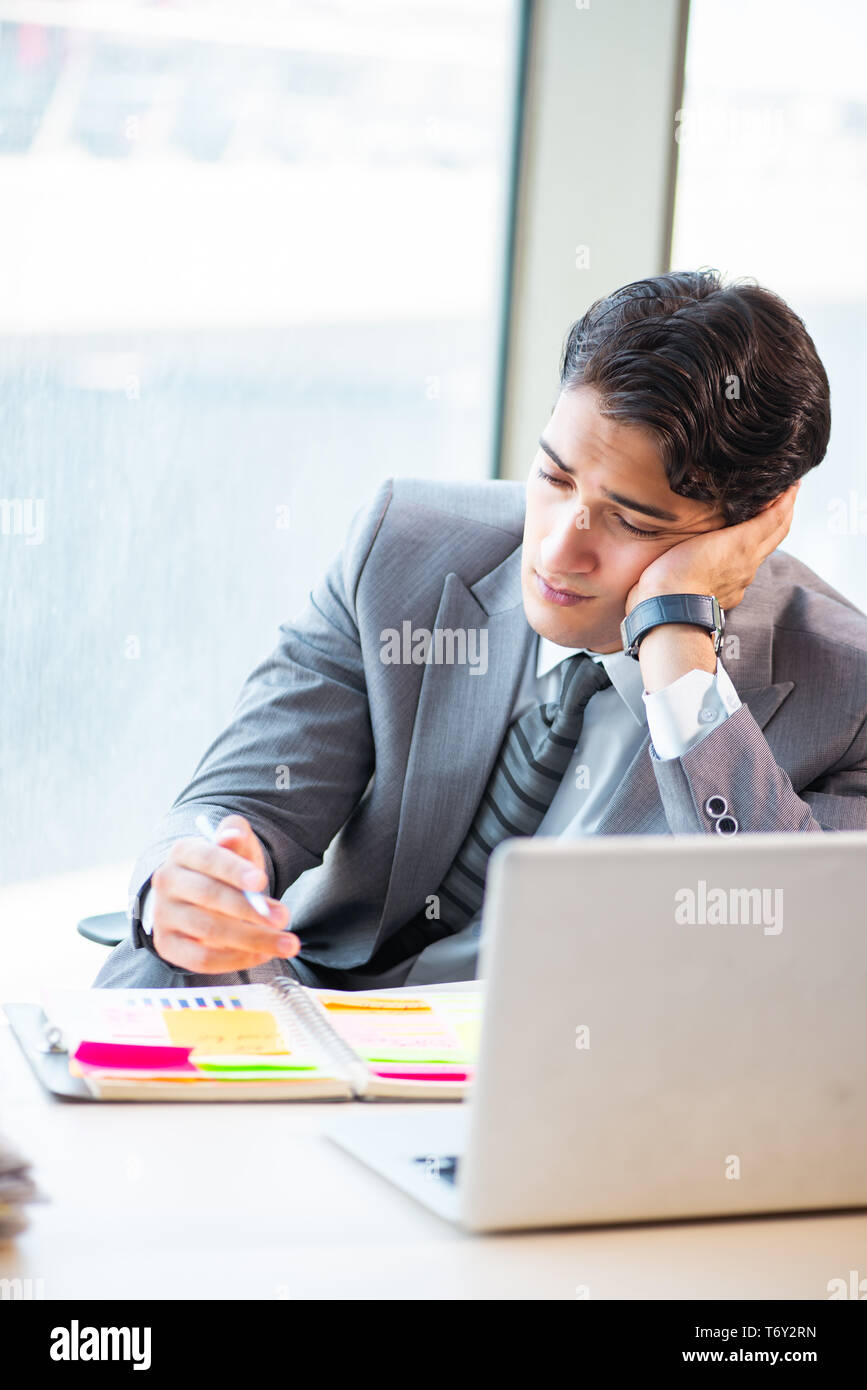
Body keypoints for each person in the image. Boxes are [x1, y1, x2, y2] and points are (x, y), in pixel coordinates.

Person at [93, 269, 867, 993]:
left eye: (631, 520)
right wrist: (195, 876)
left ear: (754, 524)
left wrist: (674, 643)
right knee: (159, 963)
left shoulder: (844, 693)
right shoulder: (404, 550)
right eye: (555, 478)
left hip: (564, 1085)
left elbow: (791, 959)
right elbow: (240, 800)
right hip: (311, 1013)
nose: (560, 548)